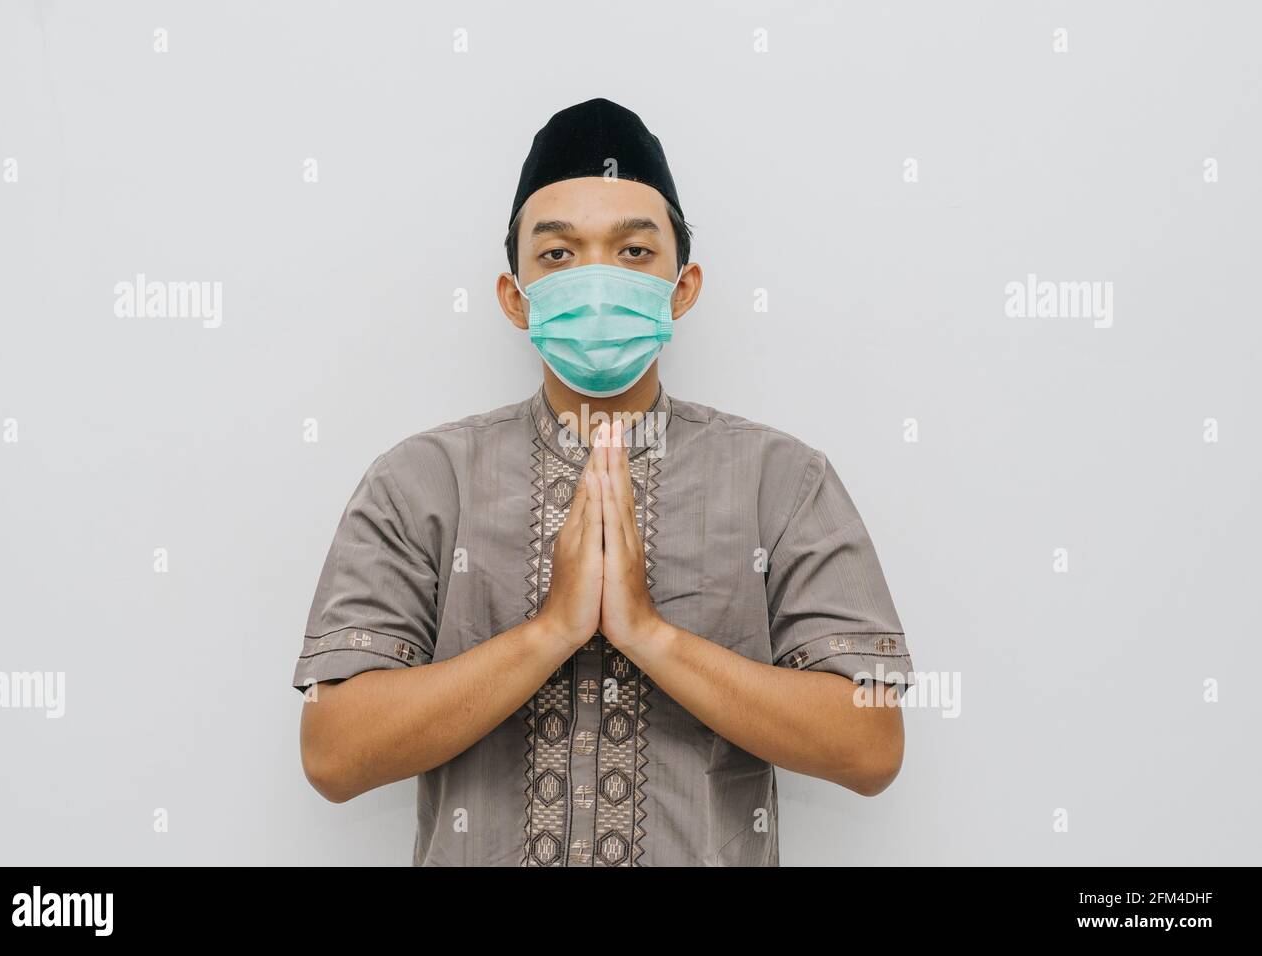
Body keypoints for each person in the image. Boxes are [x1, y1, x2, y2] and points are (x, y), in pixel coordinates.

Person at [292, 98, 915, 866]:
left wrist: (649, 634)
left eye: (632, 253)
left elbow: (871, 743)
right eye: (558, 255)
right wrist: (550, 630)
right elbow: (333, 753)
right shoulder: (419, 483)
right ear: (515, 298)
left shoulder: (783, 481)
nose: (594, 282)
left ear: (682, 288)